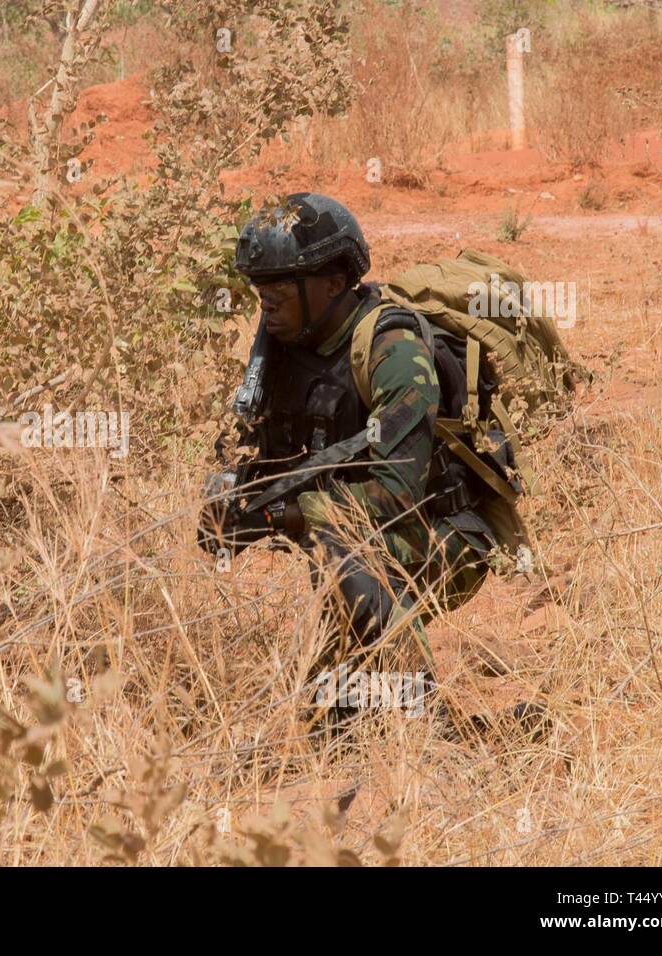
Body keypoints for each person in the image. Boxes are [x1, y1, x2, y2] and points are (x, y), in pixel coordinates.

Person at [198, 193, 544, 739]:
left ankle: (429, 741)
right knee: (329, 722)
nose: (267, 304)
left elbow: (396, 492)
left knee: (347, 550)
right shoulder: (284, 351)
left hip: (444, 531)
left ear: (332, 283)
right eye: (260, 291)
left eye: (282, 289)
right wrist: (229, 503)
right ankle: (402, 724)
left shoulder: (393, 349)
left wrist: (284, 516)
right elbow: (254, 458)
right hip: (355, 541)